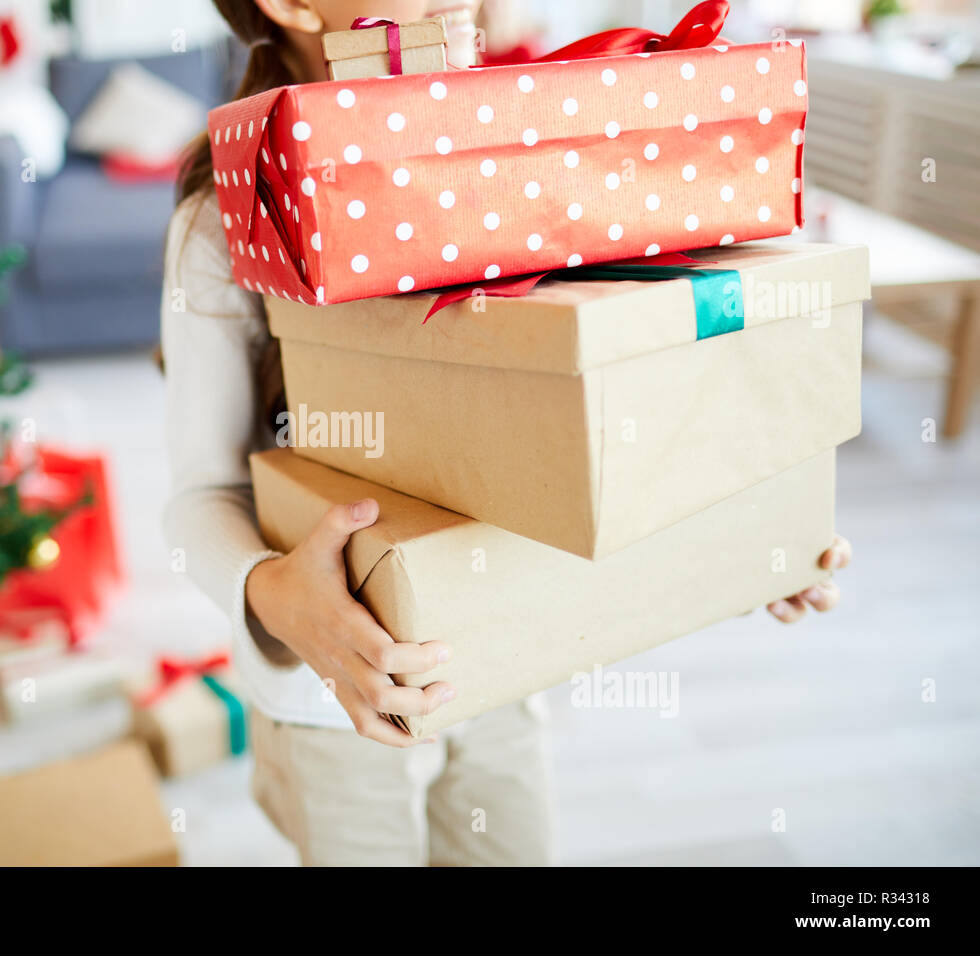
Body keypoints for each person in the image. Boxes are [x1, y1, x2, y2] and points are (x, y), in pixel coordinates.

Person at [161, 0, 852, 866]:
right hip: (326, 697)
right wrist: (274, 596)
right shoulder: (226, 214)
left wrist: (736, 532)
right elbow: (196, 498)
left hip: (505, 649)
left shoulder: (512, 150)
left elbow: (581, 410)